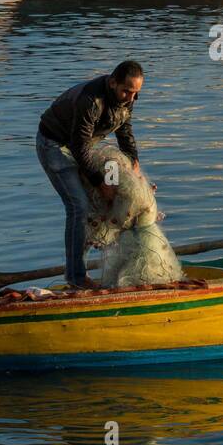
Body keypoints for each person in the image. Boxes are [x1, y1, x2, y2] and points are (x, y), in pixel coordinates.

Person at [36, 60, 144, 289]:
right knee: (79, 206)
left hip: (83, 147)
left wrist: (134, 163)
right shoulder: (91, 100)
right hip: (55, 145)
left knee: (117, 198)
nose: (131, 98)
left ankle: (121, 269)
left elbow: (124, 132)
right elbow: (79, 146)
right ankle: (76, 277)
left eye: (135, 93)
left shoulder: (127, 98)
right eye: (127, 91)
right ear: (113, 82)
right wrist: (99, 182)